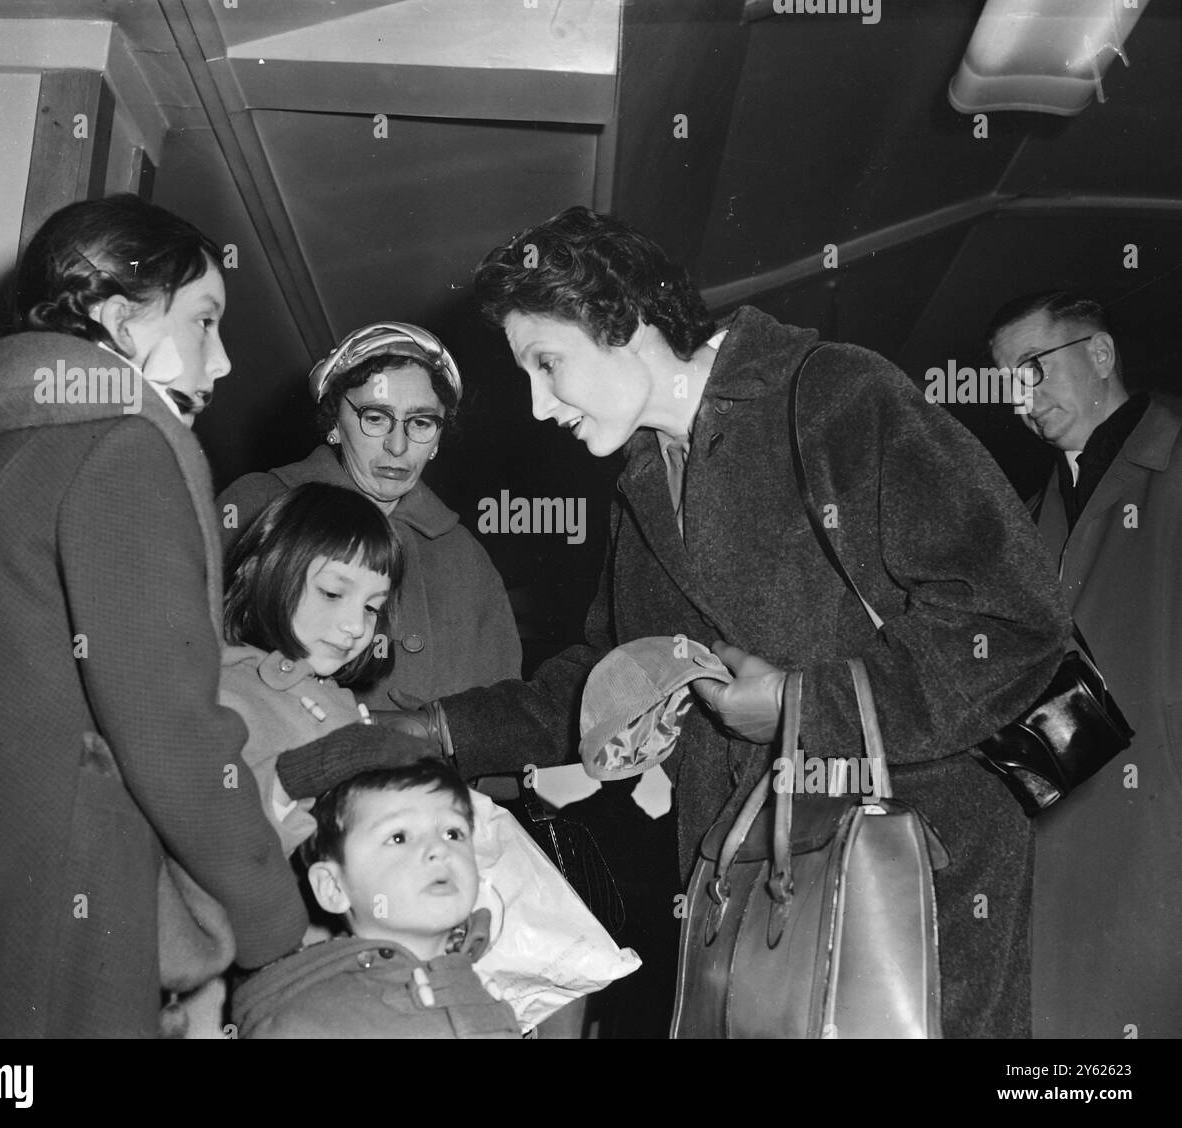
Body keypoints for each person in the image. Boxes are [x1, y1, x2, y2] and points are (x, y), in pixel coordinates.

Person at [391, 206, 1070, 1037]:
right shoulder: (645, 483)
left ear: (624, 320)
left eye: (547, 363)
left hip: (906, 876)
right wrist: (429, 731)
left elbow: (1014, 616)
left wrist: (800, 704)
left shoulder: (833, 397)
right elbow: (599, 678)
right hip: (750, 887)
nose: (538, 405)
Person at [0, 194, 310, 1037]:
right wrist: (274, 918)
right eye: (204, 322)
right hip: (48, 894)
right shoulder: (120, 452)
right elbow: (172, 731)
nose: (221, 363)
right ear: (119, 317)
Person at [988, 291, 1182, 1038]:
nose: (1018, 401)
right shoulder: (1034, 510)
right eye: (1006, 381)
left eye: (1031, 370)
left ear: (1100, 355)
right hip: (1068, 836)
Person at [216, 322, 522, 708]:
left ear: (438, 440)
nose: (398, 445)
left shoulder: (467, 558)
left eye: (421, 423)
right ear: (333, 423)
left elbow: (498, 714)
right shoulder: (255, 502)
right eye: (376, 418)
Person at [231, 754, 523, 1040]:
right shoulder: (311, 1014)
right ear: (333, 887)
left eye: (453, 833)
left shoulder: (476, 988)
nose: (439, 849)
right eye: (398, 837)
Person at [221, 482, 406, 856]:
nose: (356, 626)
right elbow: (219, 838)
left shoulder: (339, 701)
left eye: (372, 607)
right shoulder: (225, 696)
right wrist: (294, 777)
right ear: (261, 573)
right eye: (333, 594)